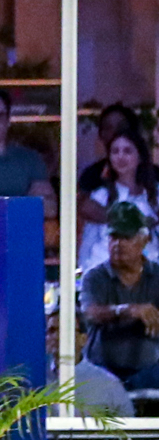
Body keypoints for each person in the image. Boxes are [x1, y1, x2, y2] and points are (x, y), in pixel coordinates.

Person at [80, 200, 159, 391]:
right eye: (113, 237)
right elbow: (89, 313)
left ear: (144, 240)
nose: (117, 244)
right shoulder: (95, 277)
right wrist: (126, 310)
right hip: (103, 372)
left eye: (126, 237)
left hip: (149, 372)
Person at [77, 130, 159, 273]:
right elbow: (88, 242)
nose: (120, 156)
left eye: (127, 151)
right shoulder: (101, 196)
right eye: (115, 151)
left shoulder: (154, 195)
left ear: (139, 157)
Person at [77, 104, 142, 202]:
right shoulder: (91, 176)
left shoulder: (155, 176)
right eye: (108, 127)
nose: (115, 132)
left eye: (121, 127)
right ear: (101, 134)